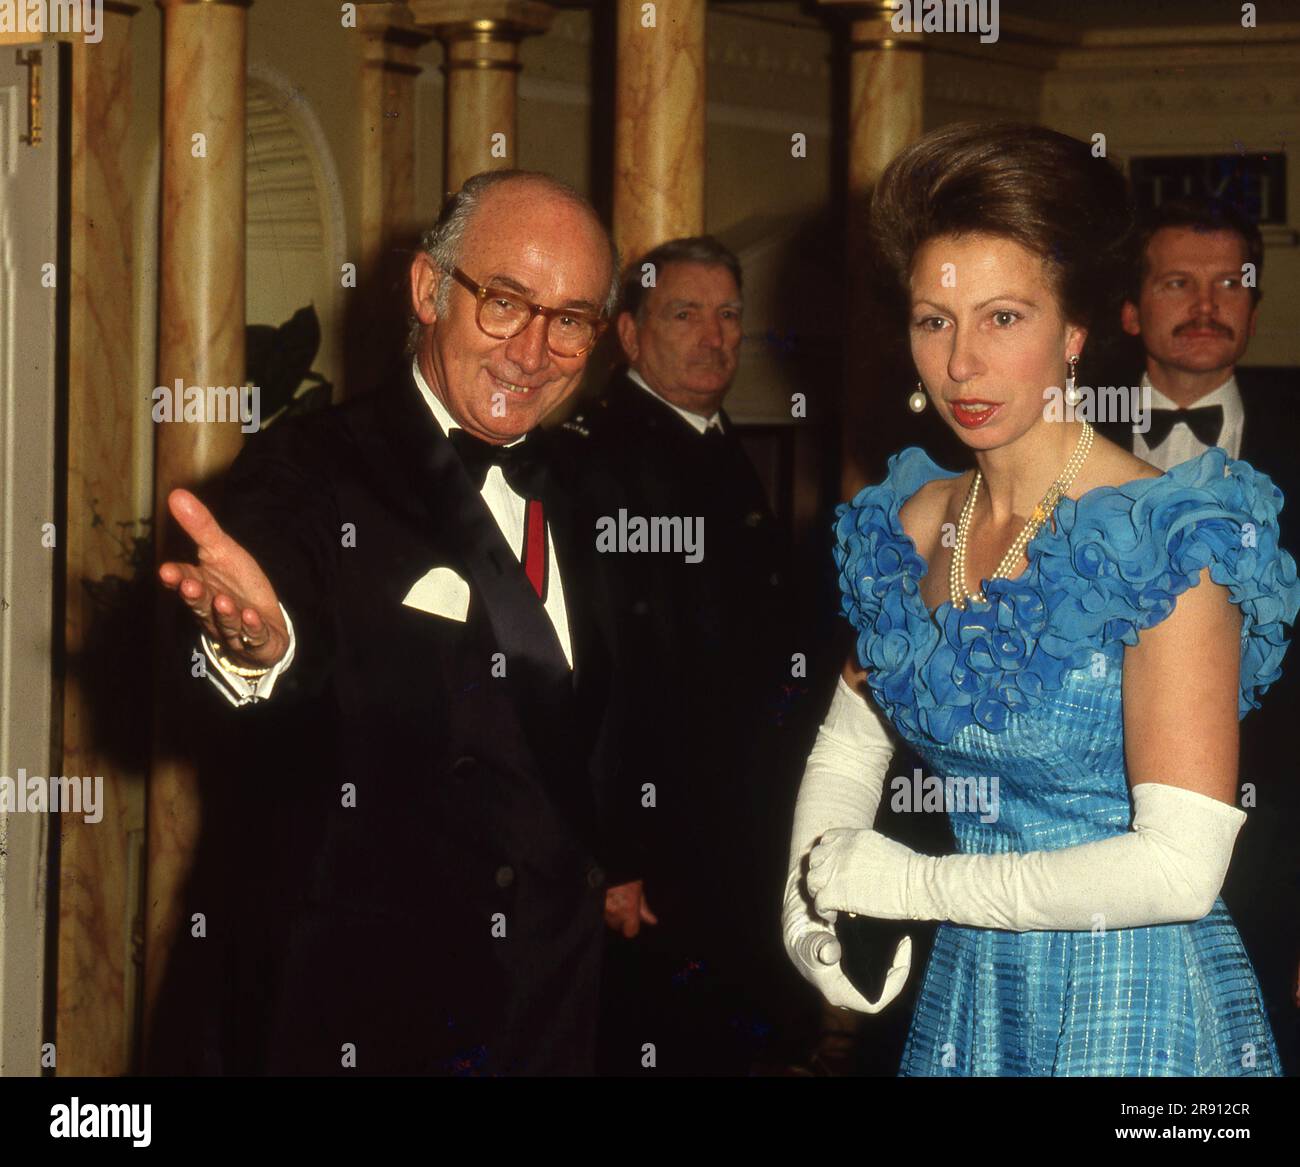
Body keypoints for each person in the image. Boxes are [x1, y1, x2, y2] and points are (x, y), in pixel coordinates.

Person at [783, 122, 1300, 1076]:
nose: (962, 364)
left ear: (1074, 332)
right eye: (934, 320)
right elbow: (850, 739)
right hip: (972, 994)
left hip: (1136, 1002)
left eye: (1004, 318)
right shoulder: (906, 522)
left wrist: (918, 882)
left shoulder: (1167, 536)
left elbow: (1180, 868)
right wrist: (804, 907)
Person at [153, 169, 624, 1075]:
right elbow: (274, 605)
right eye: (505, 301)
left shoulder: (594, 487)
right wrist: (263, 642)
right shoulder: (311, 465)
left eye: (570, 319)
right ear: (428, 289)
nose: (533, 350)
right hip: (358, 1013)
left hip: (550, 1011)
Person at [552, 237, 812, 1073]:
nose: (715, 336)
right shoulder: (597, 460)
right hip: (660, 855)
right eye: (686, 314)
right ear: (628, 335)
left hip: (737, 832)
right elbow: (601, 670)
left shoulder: (716, 443)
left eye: (729, 315)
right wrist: (618, 859)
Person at [1103, 195, 1300, 1070]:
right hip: (1092, 819)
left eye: (1231, 283)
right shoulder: (1053, 434)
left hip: (1270, 835)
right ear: (1131, 308)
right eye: (1179, 282)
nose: (1208, 304)